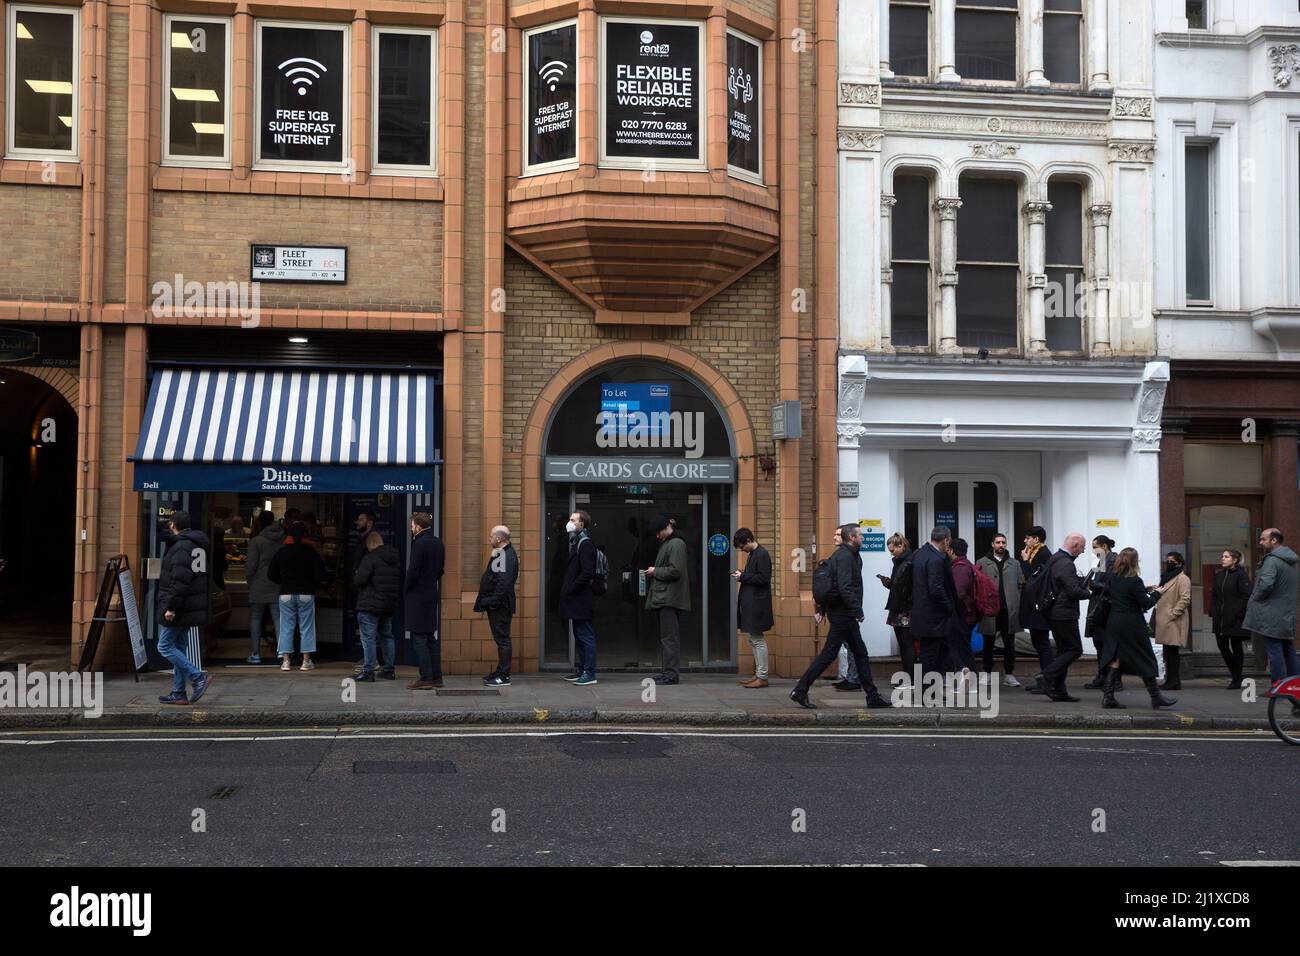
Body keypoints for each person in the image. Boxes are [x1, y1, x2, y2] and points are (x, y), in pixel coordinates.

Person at [790, 523, 890, 710]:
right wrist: (857, 611)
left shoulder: (849, 554)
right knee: (830, 654)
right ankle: (800, 690)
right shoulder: (844, 557)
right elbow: (844, 587)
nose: (863, 537)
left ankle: (872, 695)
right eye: (860, 535)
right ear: (851, 538)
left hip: (844, 614)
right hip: (843, 614)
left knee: (860, 653)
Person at [1094, 548, 1178, 710]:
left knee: (1115, 658)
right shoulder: (1134, 580)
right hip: (1131, 624)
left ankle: (1108, 697)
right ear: (1134, 561)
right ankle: (1155, 696)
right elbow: (1145, 604)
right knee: (1145, 657)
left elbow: (1122, 595)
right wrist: (1157, 594)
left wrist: (1144, 590)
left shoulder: (1113, 577)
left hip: (1114, 622)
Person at [155, 512, 213, 705]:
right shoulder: (196, 544)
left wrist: (171, 607)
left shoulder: (181, 546)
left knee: (164, 646)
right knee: (178, 647)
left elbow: (179, 581)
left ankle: (197, 677)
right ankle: (179, 692)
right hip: (189, 606)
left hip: (179, 607)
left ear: (173, 525)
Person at [1032, 533, 1094, 702]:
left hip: (1056, 612)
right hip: (1063, 614)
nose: (1083, 551)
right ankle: (1046, 676)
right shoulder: (1066, 563)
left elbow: (1062, 582)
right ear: (1074, 545)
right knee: (1075, 650)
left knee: (1063, 652)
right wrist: (1090, 593)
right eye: (1082, 547)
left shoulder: (1056, 558)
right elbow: (1073, 591)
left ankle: (1059, 691)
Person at [911, 526, 973, 678]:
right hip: (934, 618)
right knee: (930, 657)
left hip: (925, 615)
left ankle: (931, 691)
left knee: (939, 654)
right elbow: (936, 589)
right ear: (946, 540)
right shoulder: (935, 559)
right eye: (948, 542)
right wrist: (949, 607)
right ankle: (924, 692)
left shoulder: (921, 554)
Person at [1242, 528, 1299, 684]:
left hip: (1271, 613)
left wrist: (1255, 599)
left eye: (1263, 539)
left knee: (1274, 651)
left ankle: (1278, 686)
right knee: (1288, 649)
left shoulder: (1272, 560)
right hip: (1286, 612)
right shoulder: (1291, 561)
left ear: (1274, 540)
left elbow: (1265, 585)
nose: (1260, 542)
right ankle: (1295, 685)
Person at [268, 521, 326, 672]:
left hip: (286, 592)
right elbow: (320, 573)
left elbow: (271, 574)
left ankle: (286, 661)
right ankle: (306, 661)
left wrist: (283, 581)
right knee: (306, 627)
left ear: (289, 535)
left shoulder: (282, 551)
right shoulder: (310, 551)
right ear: (305, 534)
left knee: (286, 627)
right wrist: (313, 583)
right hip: (306, 592)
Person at [645, 514, 690, 685]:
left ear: (665, 528)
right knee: (666, 637)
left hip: (669, 598)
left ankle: (671, 674)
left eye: (658, 532)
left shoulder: (676, 543)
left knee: (669, 638)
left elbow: (675, 570)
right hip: (665, 597)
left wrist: (655, 571)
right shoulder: (668, 543)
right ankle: (667, 672)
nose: (656, 536)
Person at [474, 525, 519, 686]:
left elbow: (503, 584)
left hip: (500, 606)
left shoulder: (507, 556)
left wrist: (491, 601)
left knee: (503, 640)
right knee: (500, 639)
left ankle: (504, 675)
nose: (489, 538)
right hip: (496, 605)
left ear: (499, 539)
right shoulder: (500, 553)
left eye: (491, 535)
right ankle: (500, 671)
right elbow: (493, 578)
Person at [352, 530, 400, 681]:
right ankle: (389, 670)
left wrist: (356, 574)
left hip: (370, 604)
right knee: (387, 636)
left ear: (370, 544)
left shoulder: (370, 558)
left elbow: (360, 580)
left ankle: (368, 672)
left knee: (368, 638)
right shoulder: (395, 559)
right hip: (388, 604)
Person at [405, 512, 445, 689]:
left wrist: (406, 588)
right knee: (430, 637)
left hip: (418, 596)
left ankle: (426, 677)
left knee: (419, 637)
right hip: (431, 594)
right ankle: (437, 677)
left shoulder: (419, 544)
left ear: (418, 527)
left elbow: (413, 571)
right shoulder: (438, 542)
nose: (411, 528)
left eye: (412, 525)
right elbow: (440, 571)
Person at [976, 532, 1020, 687]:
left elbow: (1020, 584)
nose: (1001, 545)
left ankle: (1009, 674)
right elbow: (977, 585)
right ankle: (987, 673)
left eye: (1003, 542)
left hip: (1009, 609)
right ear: (992, 544)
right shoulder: (982, 562)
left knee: (1009, 643)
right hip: (990, 610)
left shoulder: (1014, 564)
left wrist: (1017, 600)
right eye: (998, 542)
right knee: (988, 642)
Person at [560, 510, 598, 685]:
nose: (569, 522)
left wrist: (571, 588)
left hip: (581, 599)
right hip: (576, 599)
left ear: (581, 524)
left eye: (573, 520)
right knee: (579, 634)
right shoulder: (577, 542)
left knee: (585, 635)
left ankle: (589, 673)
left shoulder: (586, 544)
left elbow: (587, 573)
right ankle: (582, 669)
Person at [242, 510, 285, 664]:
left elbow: (250, 567)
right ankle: (281, 653)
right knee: (278, 619)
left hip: (258, 584)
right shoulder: (282, 539)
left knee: (255, 618)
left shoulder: (257, 541)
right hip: (278, 584)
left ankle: (255, 654)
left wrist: (249, 582)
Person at [732, 528, 773, 688]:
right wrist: (743, 574)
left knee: (758, 640)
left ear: (749, 540)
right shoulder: (754, 554)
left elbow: (763, 578)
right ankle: (759, 675)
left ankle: (762, 676)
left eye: (742, 546)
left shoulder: (761, 554)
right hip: (753, 603)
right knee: (753, 639)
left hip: (758, 604)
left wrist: (743, 576)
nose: (742, 550)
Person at [876, 533, 917, 683]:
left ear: (901, 546)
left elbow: (909, 587)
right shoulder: (900, 562)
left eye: (892, 550)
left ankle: (910, 679)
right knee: (904, 645)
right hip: (899, 607)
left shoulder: (908, 562)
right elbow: (898, 585)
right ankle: (907, 677)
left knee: (907, 645)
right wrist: (888, 583)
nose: (891, 553)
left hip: (904, 608)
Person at [1211, 548, 1253, 689]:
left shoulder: (1241, 575)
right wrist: (1213, 611)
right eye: (1222, 556)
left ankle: (1236, 678)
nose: (1223, 558)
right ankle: (1235, 674)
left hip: (1235, 619)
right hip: (1220, 618)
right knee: (1222, 646)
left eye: (1226, 556)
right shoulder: (1219, 575)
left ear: (1234, 560)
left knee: (1236, 648)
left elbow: (1246, 596)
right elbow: (1215, 596)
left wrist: (1236, 612)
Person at [1083, 535, 1118, 690]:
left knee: (1108, 645)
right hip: (1098, 608)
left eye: (1095, 547)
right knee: (1099, 643)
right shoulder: (1100, 561)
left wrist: (1093, 584)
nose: (1093, 550)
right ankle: (1102, 676)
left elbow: (1112, 587)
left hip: (1107, 610)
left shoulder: (1114, 561)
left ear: (1104, 547)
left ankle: (1114, 680)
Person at [1153, 551, 1191, 690]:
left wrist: (1173, 614)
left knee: (1173, 652)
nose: (1168, 563)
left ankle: (1174, 681)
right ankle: (1170, 680)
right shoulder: (1166, 577)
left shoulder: (1182, 578)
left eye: (1171, 561)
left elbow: (1185, 598)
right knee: (1167, 652)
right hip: (1165, 620)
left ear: (1179, 563)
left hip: (1174, 620)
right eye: (1167, 560)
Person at [1019, 526, 1054, 679]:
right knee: (1038, 642)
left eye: (1028, 538)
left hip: (1039, 606)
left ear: (1036, 539)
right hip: (1035, 605)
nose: (1025, 541)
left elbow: (1030, 579)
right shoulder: (1037, 553)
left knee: (1042, 643)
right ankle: (1045, 676)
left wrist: (1025, 562)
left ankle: (1048, 677)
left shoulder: (1042, 555)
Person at [949, 538, 979, 645]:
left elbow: (958, 593)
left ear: (951, 551)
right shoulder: (964, 565)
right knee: (963, 648)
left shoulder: (960, 568)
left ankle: (965, 662)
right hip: (966, 615)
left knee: (961, 649)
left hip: (964, 616)